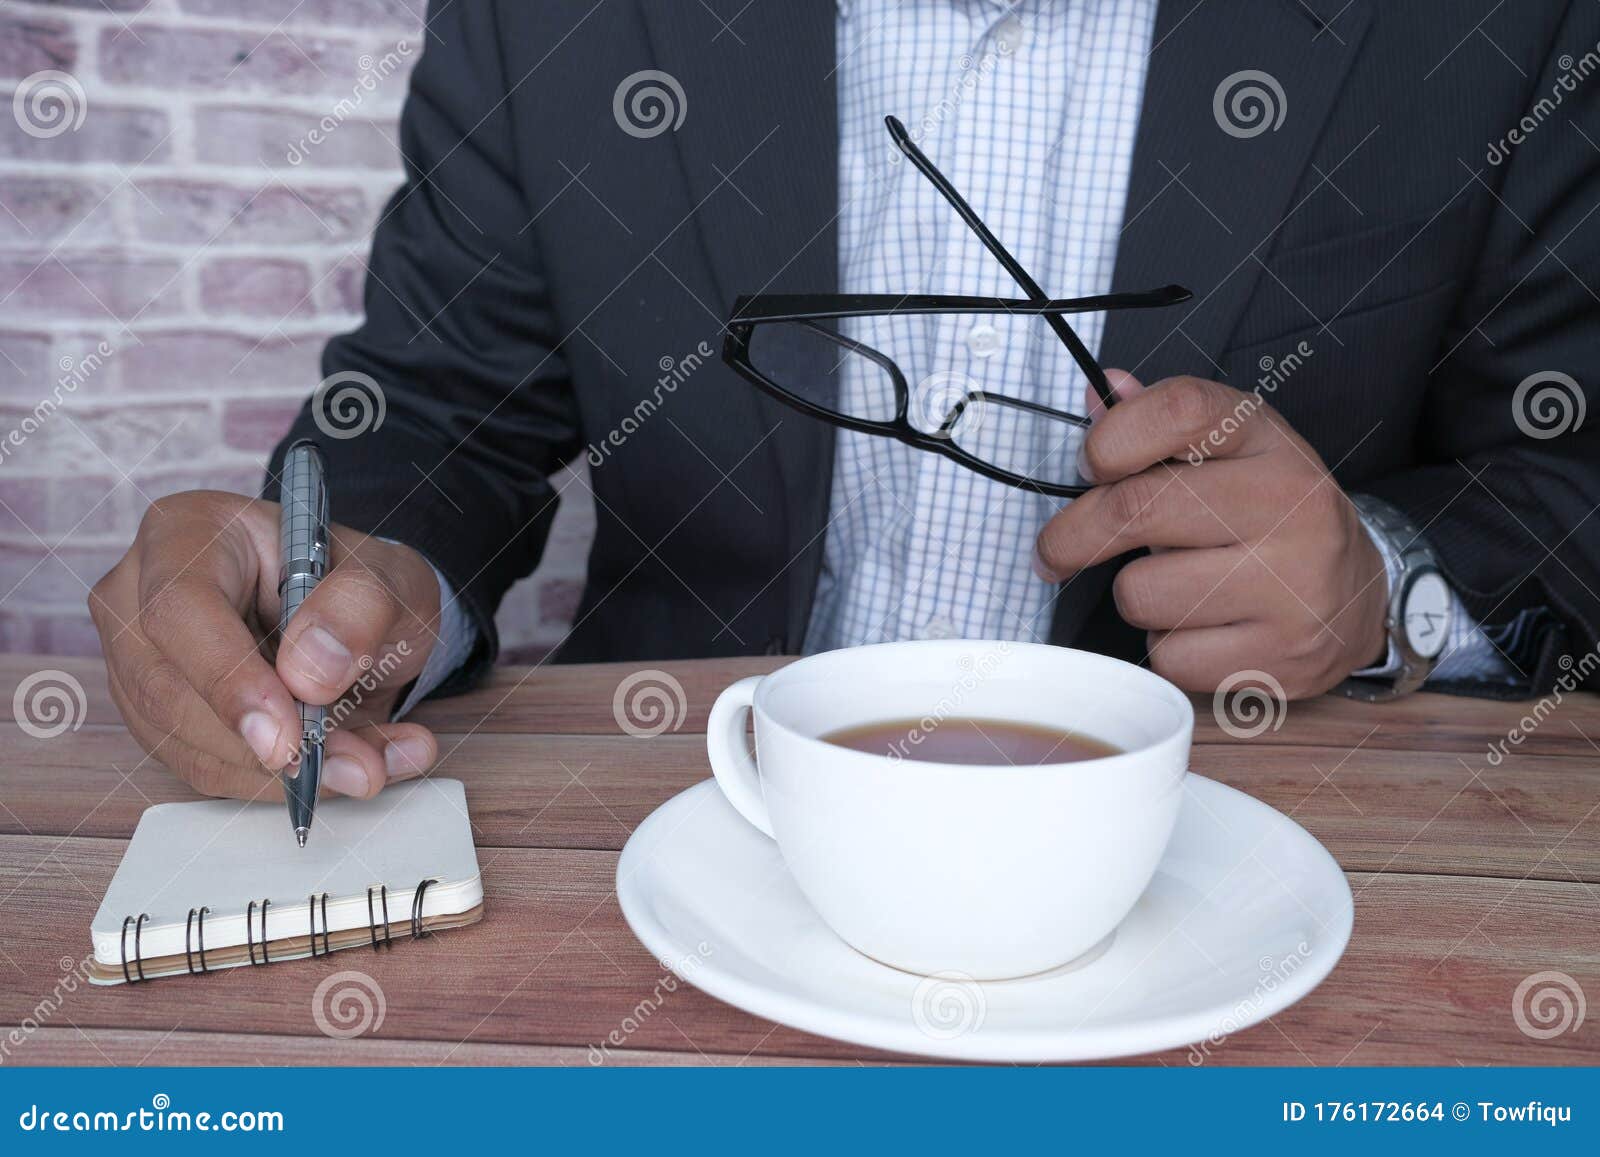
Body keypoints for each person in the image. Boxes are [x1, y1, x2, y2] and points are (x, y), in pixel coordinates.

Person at [89, 1, 1599, 801]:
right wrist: (351, 592)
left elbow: (1568, 474)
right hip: (670, 832)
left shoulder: (1504, 24)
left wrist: (1379, 590)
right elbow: (437, 413)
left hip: (1248, 855)